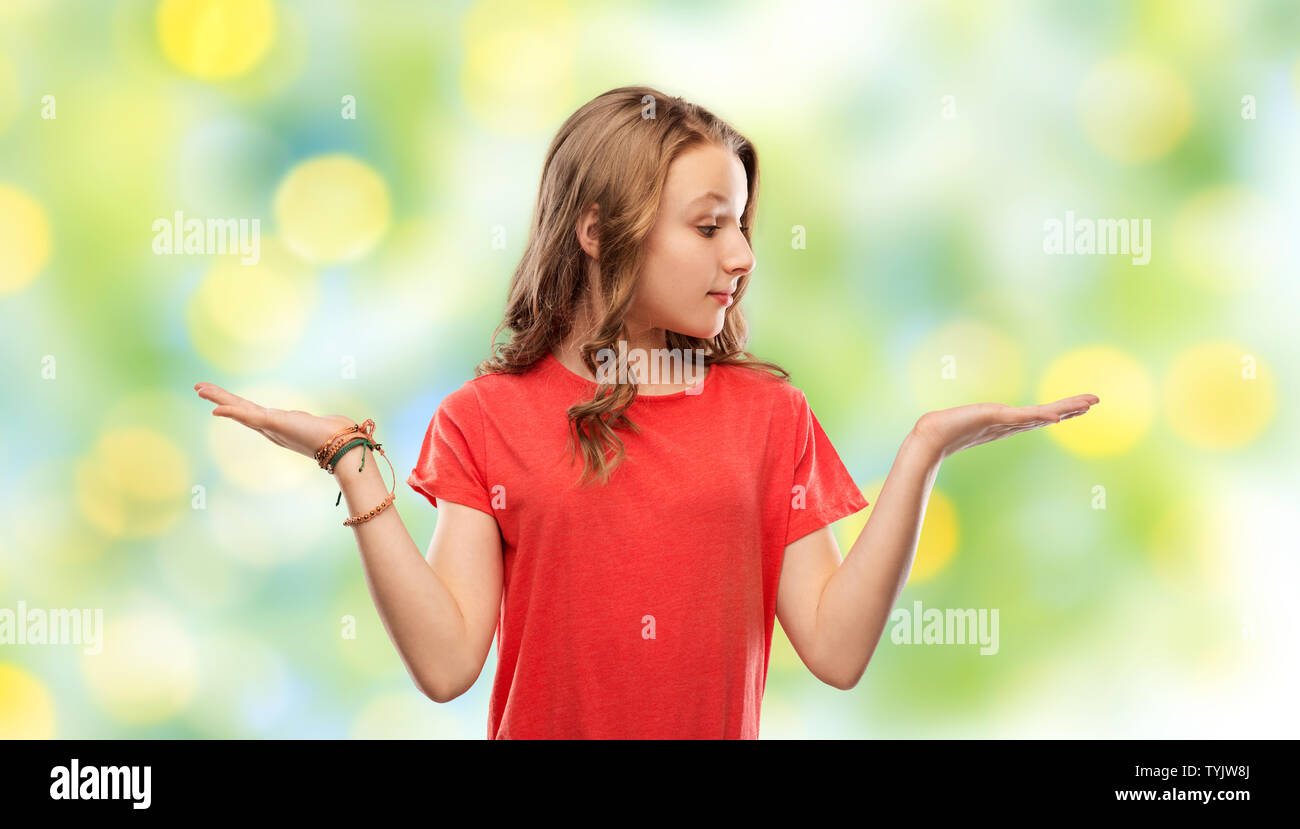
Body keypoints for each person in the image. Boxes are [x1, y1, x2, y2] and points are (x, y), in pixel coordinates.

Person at [194, 85, 1098, 739]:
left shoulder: (769, 417)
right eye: (708, 226)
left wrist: (924, 452)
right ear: (597, 231)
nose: (740, 254)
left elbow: (836, 646)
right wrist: (353, 461)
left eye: (743, 224)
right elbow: (445, 665)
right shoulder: (484, 418)